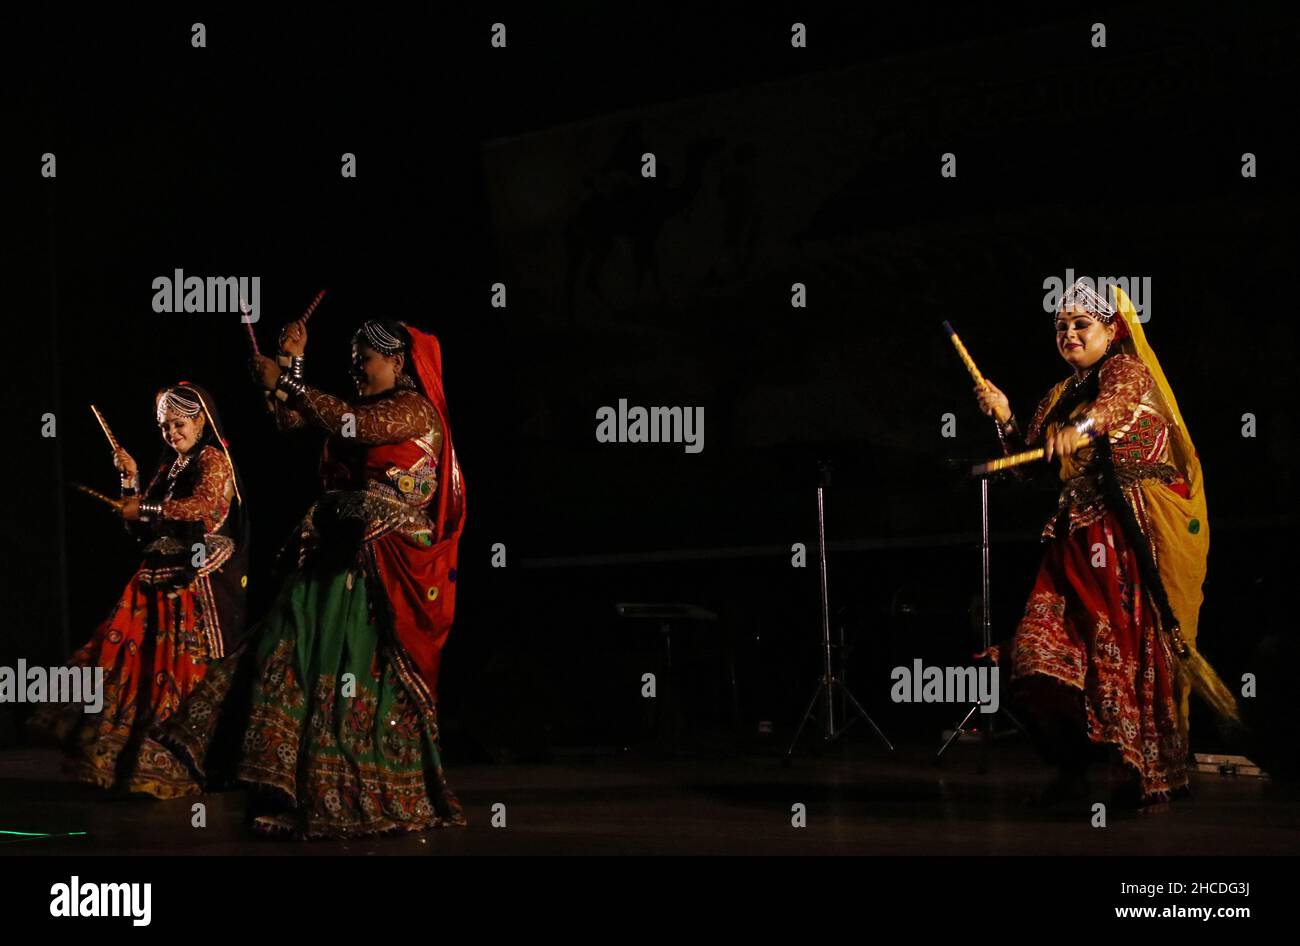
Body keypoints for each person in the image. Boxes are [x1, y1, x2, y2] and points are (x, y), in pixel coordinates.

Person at [157, 316, 467, 838]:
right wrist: (290, 369)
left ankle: (346, 798)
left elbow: (353, 424)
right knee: (286, 653)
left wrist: (289, 380)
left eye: (364, 359)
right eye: (351, 361)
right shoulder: (361, 406)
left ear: (396, 361)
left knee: (341, 670)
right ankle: (293, 790)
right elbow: (294, 422)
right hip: (338, 551)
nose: (356, 369)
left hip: (381, 565)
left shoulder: (412, 409)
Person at [975, 280, 1236, 807]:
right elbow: (1029, 468)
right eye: (1061, 326)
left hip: (1125, 533)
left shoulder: (1126, 370)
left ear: (1111, 328)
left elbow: (1114, 409)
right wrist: (1004, 417)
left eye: (1081, 324)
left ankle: (1132, 771)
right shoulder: (1058, 394)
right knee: (1036, 653)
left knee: (1117, 650)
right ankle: (1072, 767)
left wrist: (1086, 427)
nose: (1069, 333)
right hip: (1073, 535)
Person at [29, 382, 248, 799]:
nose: (171, 434)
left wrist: (146, 507)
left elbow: (200, 507)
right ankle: (127, 764)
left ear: (201, 419)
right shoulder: (171, 467)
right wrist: (129, 482)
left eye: (179, 424)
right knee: (133, 667)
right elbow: (139, 527)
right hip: (155, 579)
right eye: (164, 427)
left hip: (192, 582)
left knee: (175, 673)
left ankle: (183, 764)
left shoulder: (212, 461)